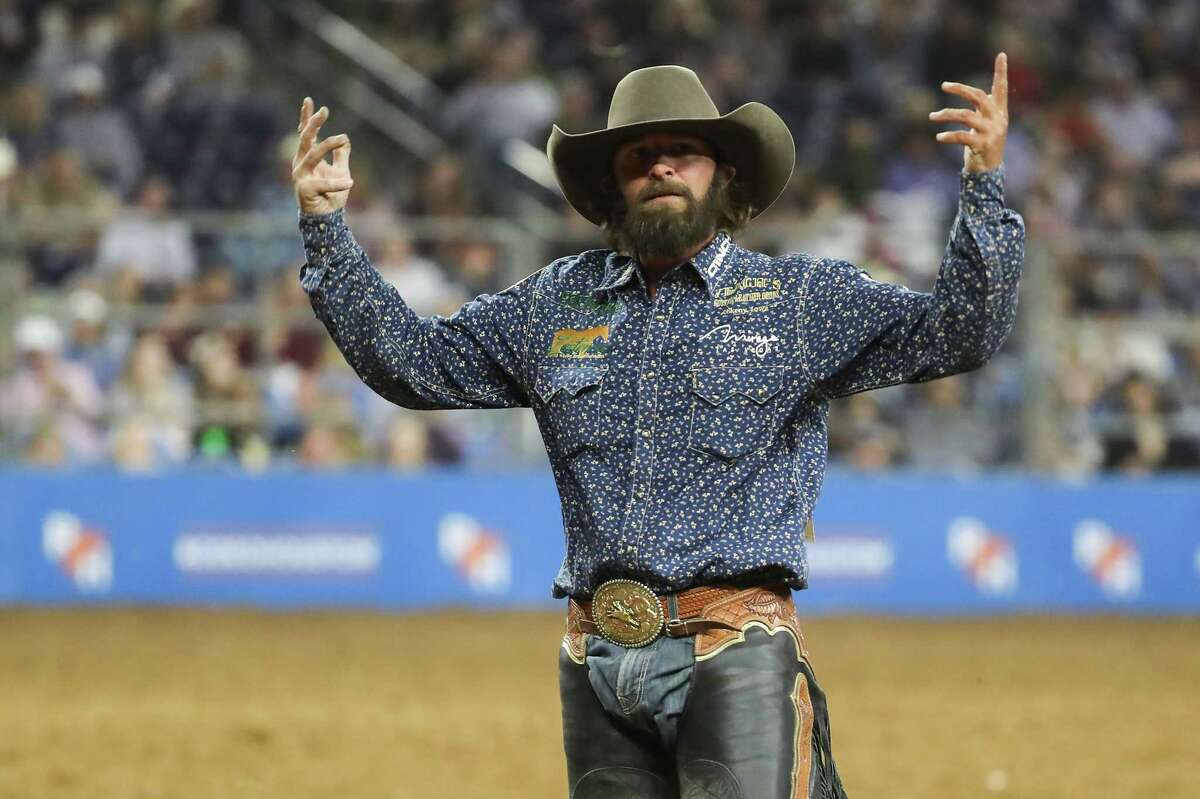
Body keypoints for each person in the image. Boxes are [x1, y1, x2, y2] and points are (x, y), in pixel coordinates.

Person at [292, 57, 1022, 798]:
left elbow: (959, 331)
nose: (662, 167)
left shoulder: (798, 299)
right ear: (614, 184)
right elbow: (412, 363)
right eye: (639, 155)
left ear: (724, 174)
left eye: (683, 151)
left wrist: (984, 184)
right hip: (596, 656)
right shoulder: (554, 303)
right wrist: (325, 228)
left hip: (734, 647)